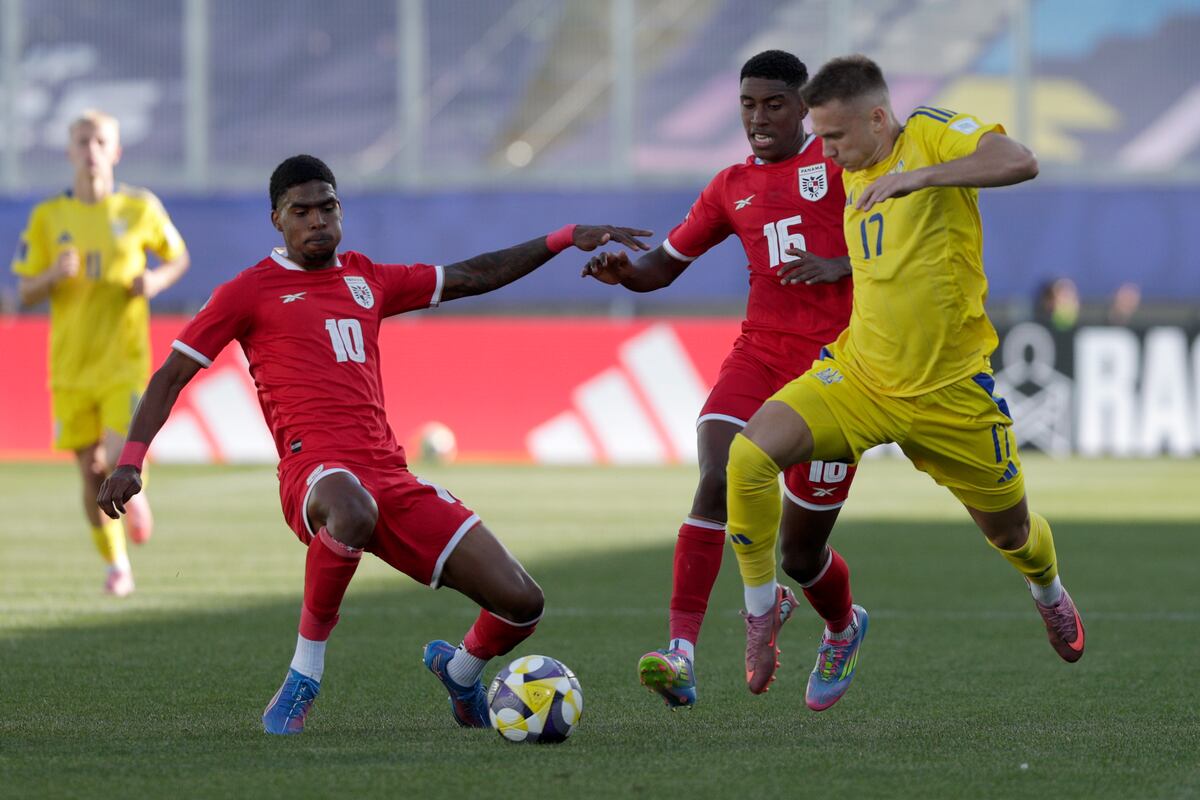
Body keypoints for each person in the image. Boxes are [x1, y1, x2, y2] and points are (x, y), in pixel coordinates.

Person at [96, 154, 650, 735]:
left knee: (523, 603)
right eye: (300, 211)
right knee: (351, 506)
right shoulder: (249, 291)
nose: (316, 221)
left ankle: (461, 673)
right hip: (315, 473)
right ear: (276, 221)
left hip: (392, 477)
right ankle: (304, 674)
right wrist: (132, 462)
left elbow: (473, 274)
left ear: (341, 211)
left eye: (327, 207)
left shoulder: (369, 280)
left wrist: (564, 238)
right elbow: (170, 375)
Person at [726, 55, 1085, 712]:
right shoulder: (844, 174)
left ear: (878, 118)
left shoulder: (930, 135)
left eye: (834, 137)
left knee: (1010, 534)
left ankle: (1050, 593)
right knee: (747, 458)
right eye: (820, 139)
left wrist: (918, 178)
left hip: (951, 393)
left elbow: (1021, 160)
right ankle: (759, 615)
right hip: (859, 377)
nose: (827, 152)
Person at [582, 50, 860, 709]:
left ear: (805, 108)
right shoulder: (729, 185)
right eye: (747, 105)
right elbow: (665, 264)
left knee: (800, 553)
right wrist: (627, 271)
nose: (758, 118)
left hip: (838, 371)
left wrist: (840, 262)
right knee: (717, 472)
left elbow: (901, 242)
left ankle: (843, 627)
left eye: (774, 105)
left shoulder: (842, 163)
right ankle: (683, 651)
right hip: (758, 354)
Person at [11, 110, 190, 597]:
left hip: (124, 362)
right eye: (82, 140)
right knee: (89, 473)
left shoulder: (138, 208)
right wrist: (52, 276)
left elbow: (177, 257)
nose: (91, 149)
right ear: (70, 151)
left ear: (115, 151)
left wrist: (153, 280)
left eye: (100, 141)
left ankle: (137, 493)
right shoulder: (50, 217)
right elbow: (24, 289)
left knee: (117, 455)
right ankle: (117, 565)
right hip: (69, 368)